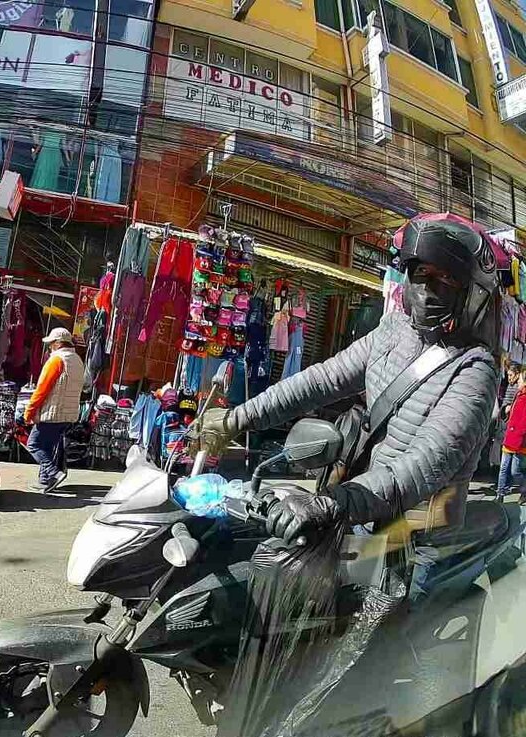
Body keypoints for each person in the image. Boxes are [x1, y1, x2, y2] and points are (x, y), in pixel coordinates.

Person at [196, 219, 500, 601]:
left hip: (422, 541)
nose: (426, 289)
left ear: (472, 294)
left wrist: (329, 502)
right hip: (363, 514)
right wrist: (236, 420)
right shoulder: (394, 330)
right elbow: (321, 380)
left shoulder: (474, 370)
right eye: (419, 273)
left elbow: (423, 467)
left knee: (397, 649)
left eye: (444, 279)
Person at [23, 327, 86, 492]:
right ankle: (44, 480)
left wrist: (29, 412)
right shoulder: (78, 361)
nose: (49, 347)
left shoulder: (57, 360)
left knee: (34, 444)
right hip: (68, 414)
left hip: (53, 412)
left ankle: (53, 472)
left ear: (58, 343)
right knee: (48, 446)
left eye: (51, 344)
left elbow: (41, 390)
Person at [497, 372, 526, 502]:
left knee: (515, 471)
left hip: (520, 441)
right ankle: (500, 494)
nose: (518, 382)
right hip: (509, 436)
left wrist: (518, 434)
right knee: (503, 468)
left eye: (520, 380)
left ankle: (524, 490)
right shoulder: (518, 394)